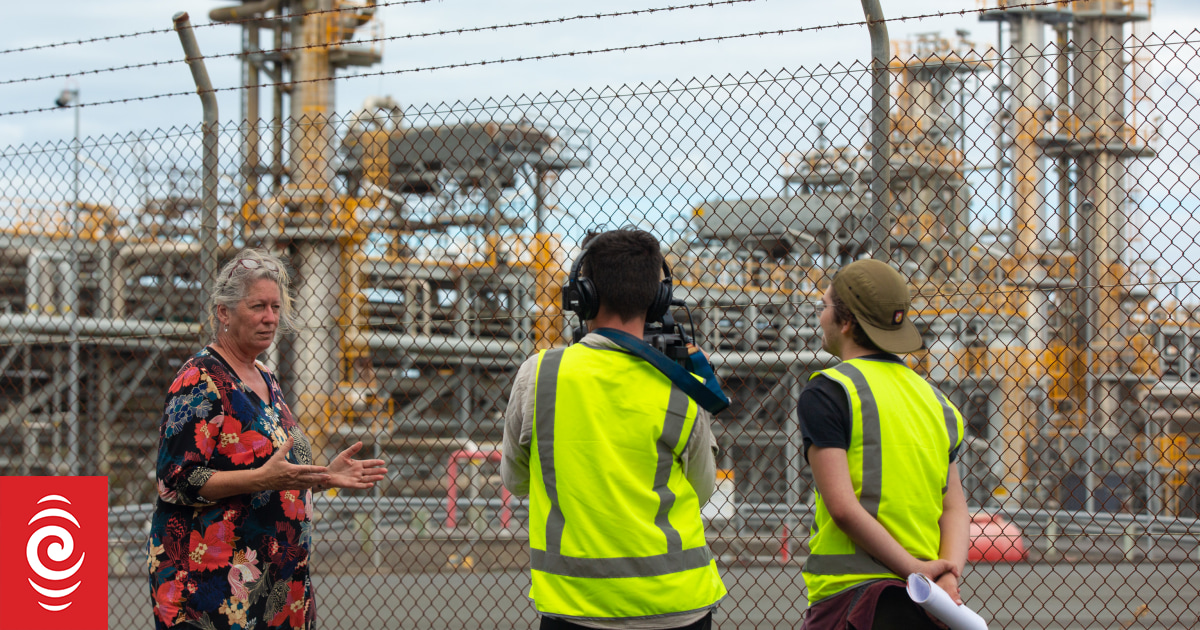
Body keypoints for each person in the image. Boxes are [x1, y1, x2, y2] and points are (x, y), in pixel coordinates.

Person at [148, 249, 387, 630]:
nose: (270, 317)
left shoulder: (265, 378)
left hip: (279, 589)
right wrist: (262, 479)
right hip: (214, 593)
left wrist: (324, 476)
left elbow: (281, 471)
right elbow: (174, 482)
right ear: (224, 312)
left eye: (276, 307)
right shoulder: (200, 380)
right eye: (258, 306)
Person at [501, 228, 727, 630]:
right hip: (678, 606)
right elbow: (702, 489)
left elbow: (516, 481)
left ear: (581, 293)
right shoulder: (681, 384)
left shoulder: (539, 376)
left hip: (576, 605)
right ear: (659, 299)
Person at [798, 258, 969, 630]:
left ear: (845, 322)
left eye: (824, 307)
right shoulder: (937, 402)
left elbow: (842, 508)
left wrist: (914, 570)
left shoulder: (829, 390)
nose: (820, 318)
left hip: (855, 599)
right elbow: (954, 509)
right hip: (930, 603)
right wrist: (947, 575)